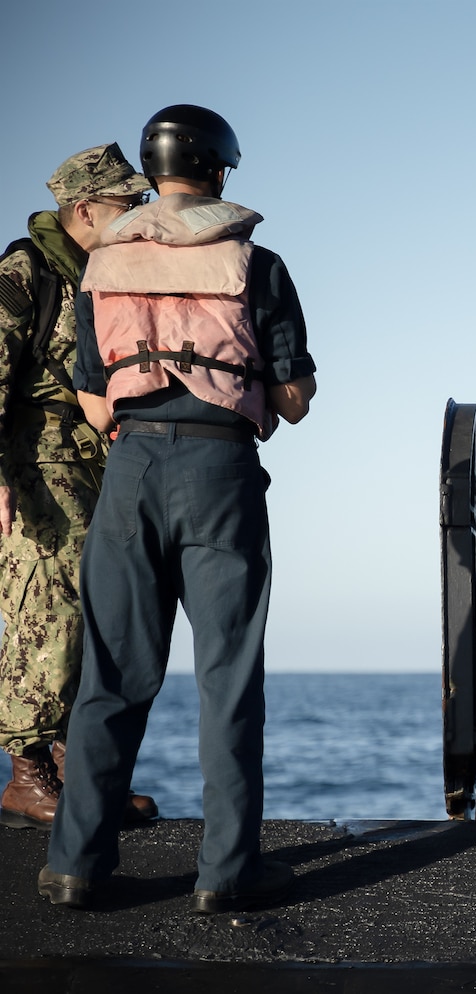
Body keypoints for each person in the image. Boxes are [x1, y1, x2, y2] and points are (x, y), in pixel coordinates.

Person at [37, 105, 318, 911]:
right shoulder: (256, 263)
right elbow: (292, 400)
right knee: (227, 678)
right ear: (220, 169)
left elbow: (95, 408)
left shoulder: (102, 268)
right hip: (220, 471)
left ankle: (74, 867)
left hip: (130, 473)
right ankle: (226, 874)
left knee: (111, 677)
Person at [1, 144, 159, 830]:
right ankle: (27, 776)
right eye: (127, 204)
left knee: (107, 615)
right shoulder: (26, 272)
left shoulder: (109, 273)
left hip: (101, 459)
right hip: (35, 463)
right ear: (85, 209)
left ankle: (82, 775)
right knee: (52, 611)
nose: (138, 215)